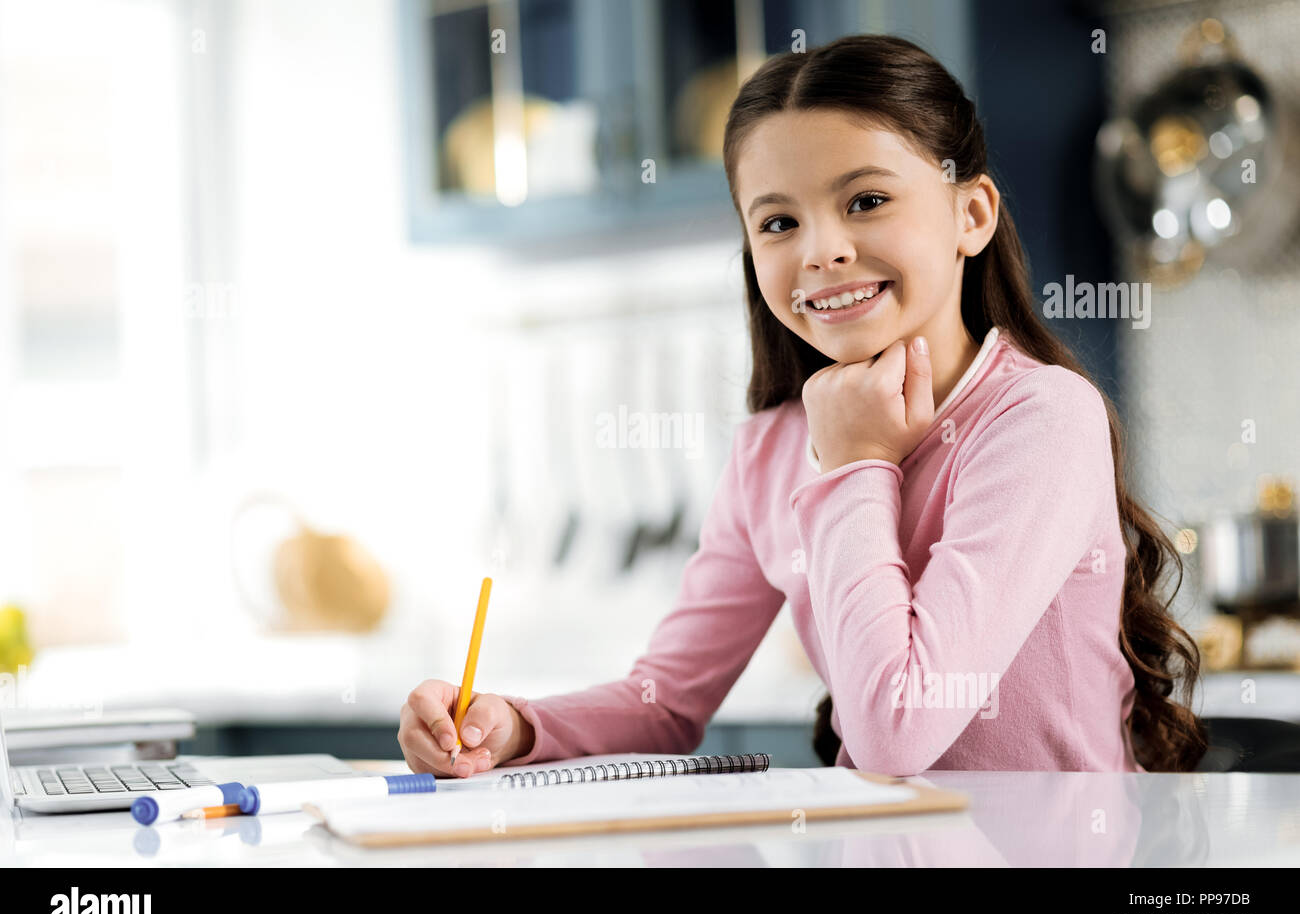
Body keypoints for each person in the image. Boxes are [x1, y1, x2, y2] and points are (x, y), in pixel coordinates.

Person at [398, 34, 1207, 779]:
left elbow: (897, 733)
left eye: (865, 201)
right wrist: (516, 726)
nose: (821, 250)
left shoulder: (1039, 418)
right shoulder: (772, 450)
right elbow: (668, 699)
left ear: (973, 214)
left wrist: (857, 464)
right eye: (779, 221)